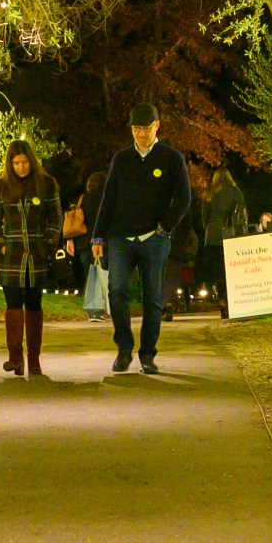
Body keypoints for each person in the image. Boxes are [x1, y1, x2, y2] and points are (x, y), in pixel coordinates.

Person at [90, 103, 191, 373]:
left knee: (153, 298)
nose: (141, 133)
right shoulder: (121, 159)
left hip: (154, 238)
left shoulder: (171, 158)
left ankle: (147, 354)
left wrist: (166, 226)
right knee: (117, 290)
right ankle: (124, 349)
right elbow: (108, 198)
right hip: (121, 238)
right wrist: (98, 237)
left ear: (157, 126)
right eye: (136, 129)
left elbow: (184, 197)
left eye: (146, 128)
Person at [0, 139, 61, 377]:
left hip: (37, 255)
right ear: (10, 164)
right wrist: (0, 245)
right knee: (12, 306)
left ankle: (34, 360)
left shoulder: (46, 184)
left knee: (34, 305)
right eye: (16, 163)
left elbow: (55, 217)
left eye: (25, 162)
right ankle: (15, 357)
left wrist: (48, 243)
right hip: (11, 255)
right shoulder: (1, 186)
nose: (21, 167)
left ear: (32, 161)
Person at [202, 168, 247, 307]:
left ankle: (222, 297)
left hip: (213, 236)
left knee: (218, 269)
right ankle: (232, 297)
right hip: (230, 233)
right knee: (232, 267)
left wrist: (209, 230)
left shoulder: (209, 192)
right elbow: (242, 211)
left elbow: (204, 217)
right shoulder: (234, 191)